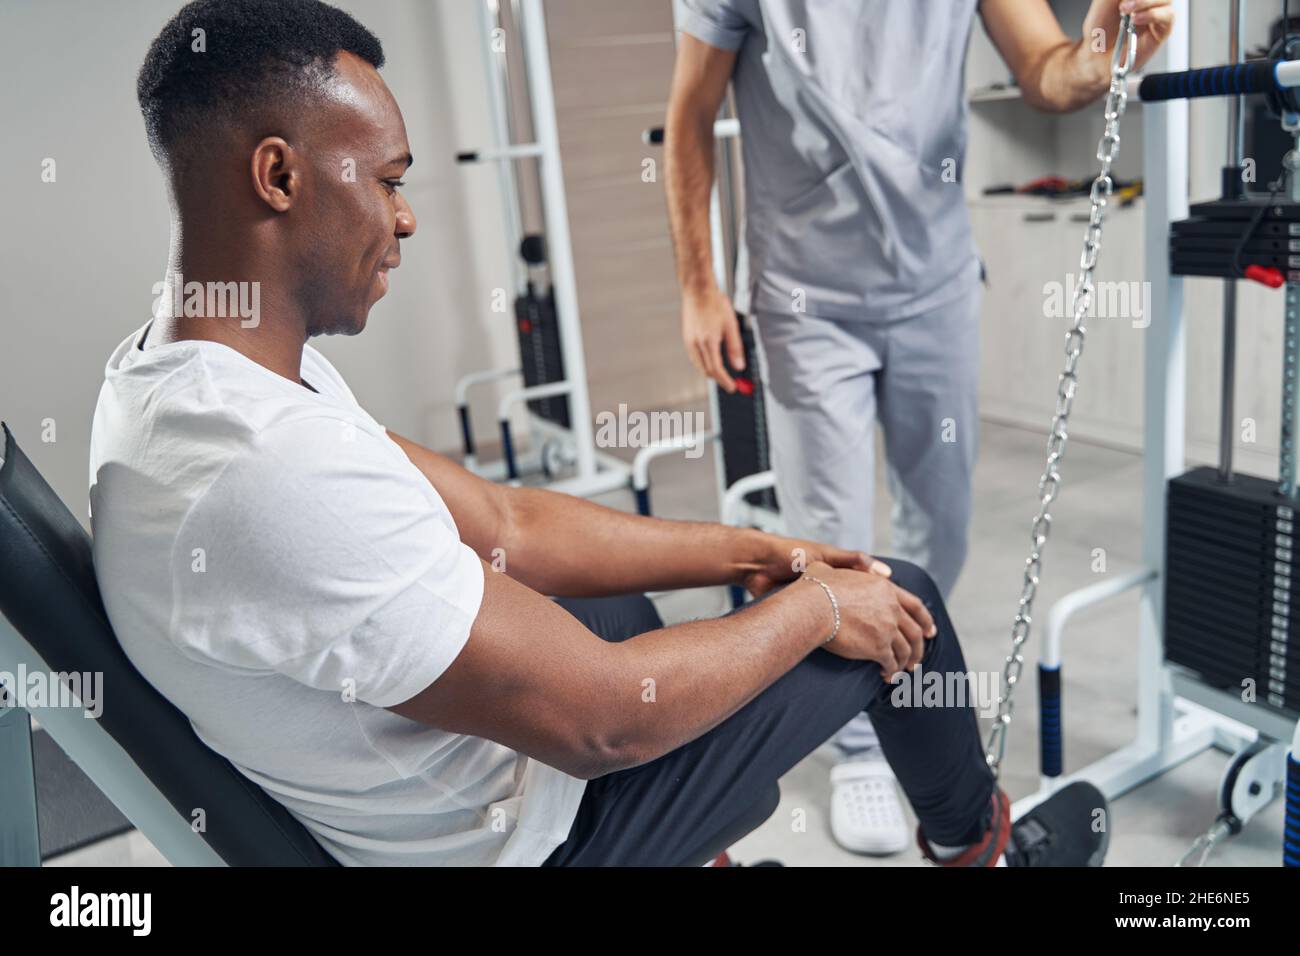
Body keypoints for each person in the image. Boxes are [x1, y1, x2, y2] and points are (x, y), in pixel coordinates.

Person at [89, 0, 1107, 867]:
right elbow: (606, 719)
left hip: (467, 786)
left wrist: (768, 550)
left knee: (613, 587)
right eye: (390, 179)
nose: (405, 220)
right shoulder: (272, 472)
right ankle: (984, 847)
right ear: (278, 176)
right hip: (531, 840)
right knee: (899, 596)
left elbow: (507, 520)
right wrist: (822, 601)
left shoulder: (183, 375)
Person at [663, 0, 1172, 855]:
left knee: (942, 527)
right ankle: (859, 746)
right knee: (833, 538)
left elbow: (1046, 69)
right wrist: (698, 285)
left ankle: (903, 700)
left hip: (931, 281)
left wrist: (1095, 58)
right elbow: (689, 112)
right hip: (802, 295)